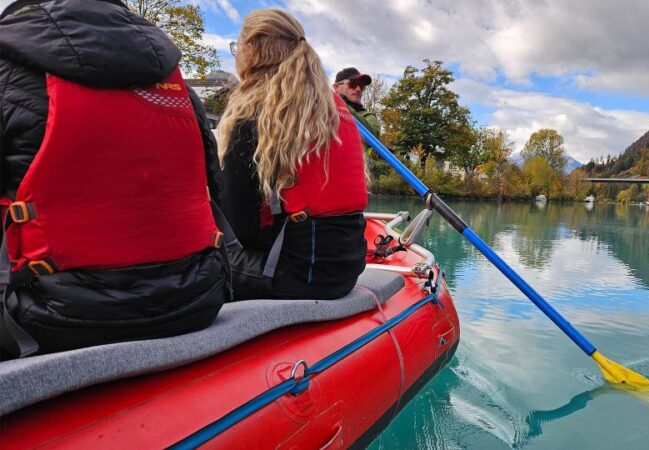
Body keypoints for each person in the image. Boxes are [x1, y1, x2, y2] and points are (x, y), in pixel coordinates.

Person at [0, 0, 231, 357]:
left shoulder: (6, 69)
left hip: (55, 319)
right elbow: (214, 188)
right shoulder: (177, 81)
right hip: (197, 300)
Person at [217, 9, 367, 301]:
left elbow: (239, 228)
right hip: (347, 267)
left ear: (250, 48)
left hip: (299, 277)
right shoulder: (330, 106)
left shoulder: (252, 111)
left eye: (236, 47)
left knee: (194, 260)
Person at [333, 67, 381, 141]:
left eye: (362, 86)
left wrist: (340, 104)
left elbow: (372, 137)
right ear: (336, 87)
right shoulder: (323, 109)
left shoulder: (368, 117)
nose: (358, 89)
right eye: (353, 84)